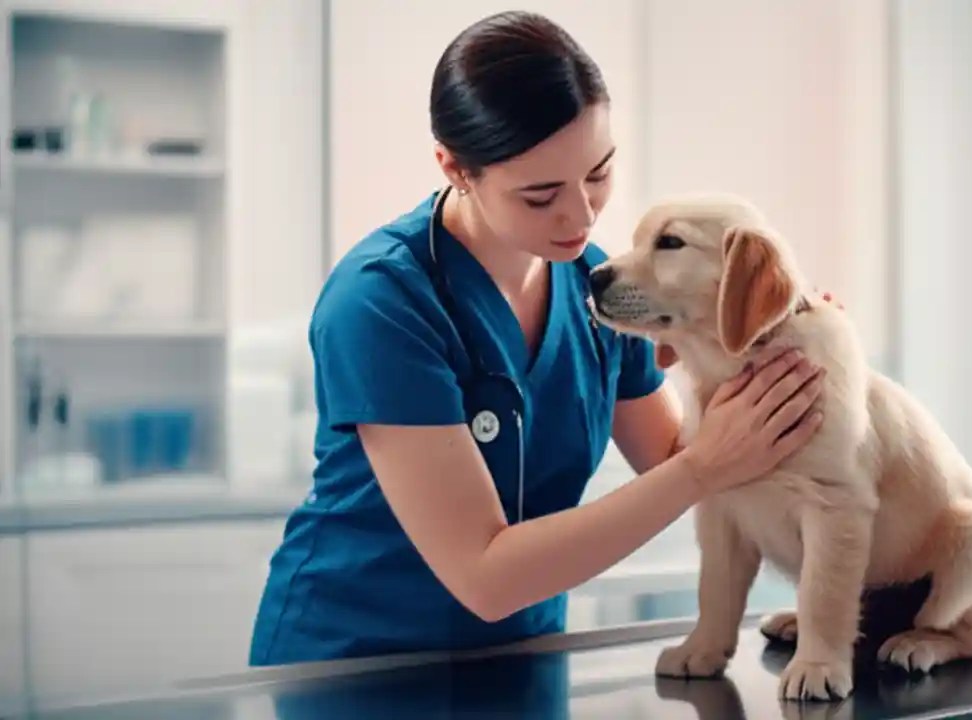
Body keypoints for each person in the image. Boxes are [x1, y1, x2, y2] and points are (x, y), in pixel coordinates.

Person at [247, 10, 826, 666]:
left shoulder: (598, 286)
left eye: (599, 173)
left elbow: (674, 456)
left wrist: (769, 349)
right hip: (354, 667)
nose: (580, 214)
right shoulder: (382, 302)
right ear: (455, 167)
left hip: (523, 657)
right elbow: (486, 576)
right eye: (541, 193)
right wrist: (704, 466)